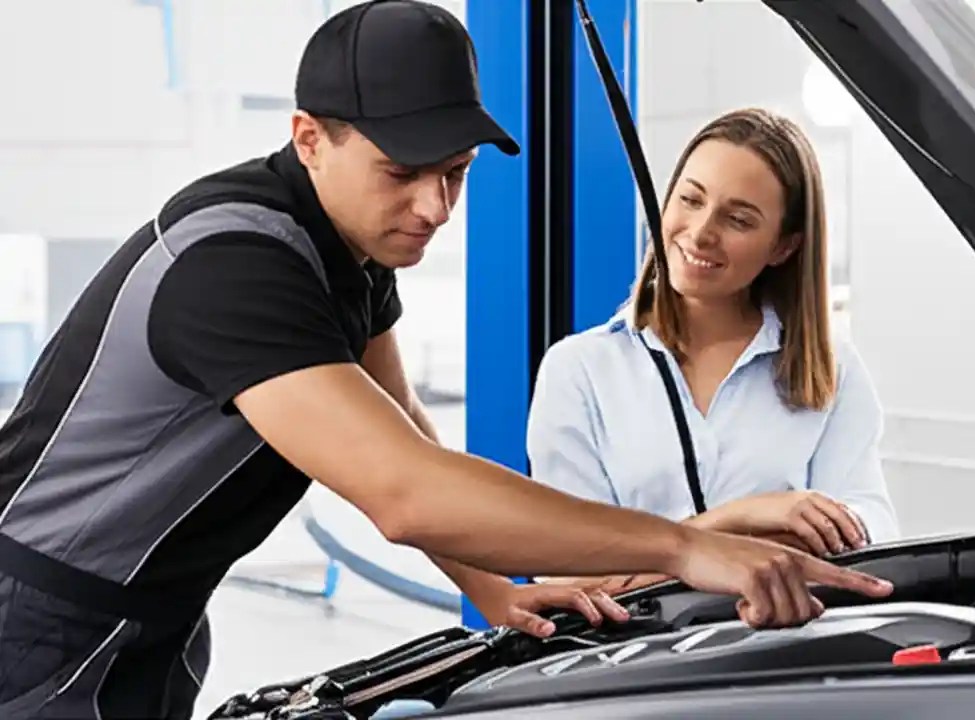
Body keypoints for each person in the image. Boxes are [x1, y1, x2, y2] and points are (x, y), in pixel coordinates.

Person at [0, 4, 893, 719]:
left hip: (153, 621)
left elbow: (412, 441)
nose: (436, 206)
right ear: (310, 137)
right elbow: (404, 493)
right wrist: (689, 547)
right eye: (404, 172)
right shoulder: (235, 263)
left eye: (457, 172)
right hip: (34, 626)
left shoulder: (347, 249)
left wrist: (496, 591)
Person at [527, 108, 900, 594]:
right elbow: (570, 572)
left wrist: (645, 558)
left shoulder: (833, 369)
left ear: (783, 247)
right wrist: (743, 518)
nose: (701, 232)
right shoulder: (579, 370)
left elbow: (867, 539)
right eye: (690, 199)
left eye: (739, 219)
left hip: (786, 655)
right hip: (629, 665)